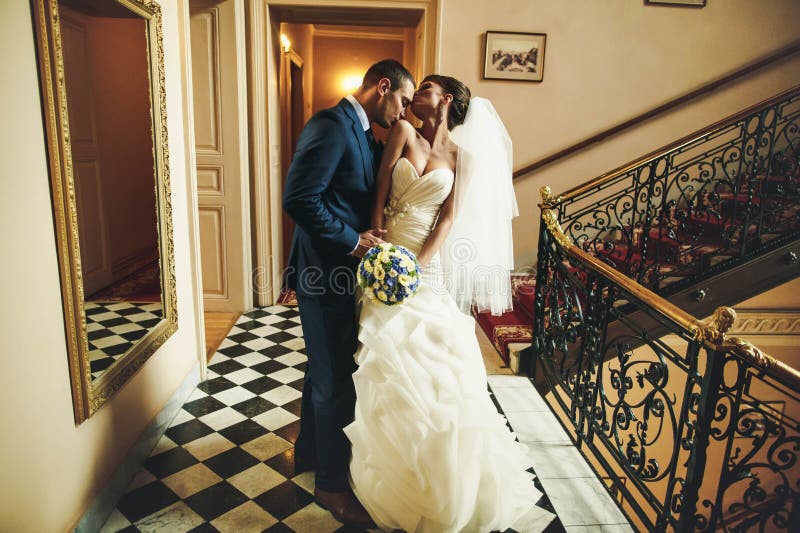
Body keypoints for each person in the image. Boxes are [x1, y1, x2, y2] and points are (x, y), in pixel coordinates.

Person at [343, 75, 540, 532]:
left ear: (445, 100)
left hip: (424, 267)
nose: (415, 98)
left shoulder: (462, 157)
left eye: (426, 89)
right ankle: (393, 462)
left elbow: (448, 217)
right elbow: (378, 196)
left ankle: (442, 470)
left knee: (440, 356)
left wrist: (417, 265)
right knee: (387, 354)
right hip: (387, 252)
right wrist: (383, 253)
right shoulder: (403, 133)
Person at [282, 59, 415, 529]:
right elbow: (299, 198)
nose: (403, 113)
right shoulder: (331, 124)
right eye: (402, 101)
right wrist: (352, 240)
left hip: (338, 273)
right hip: (325, 272)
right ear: (383, 87)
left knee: (324, 368)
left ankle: (308, 456)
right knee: (335, 380)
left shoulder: (362, 131)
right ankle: (331, 487)